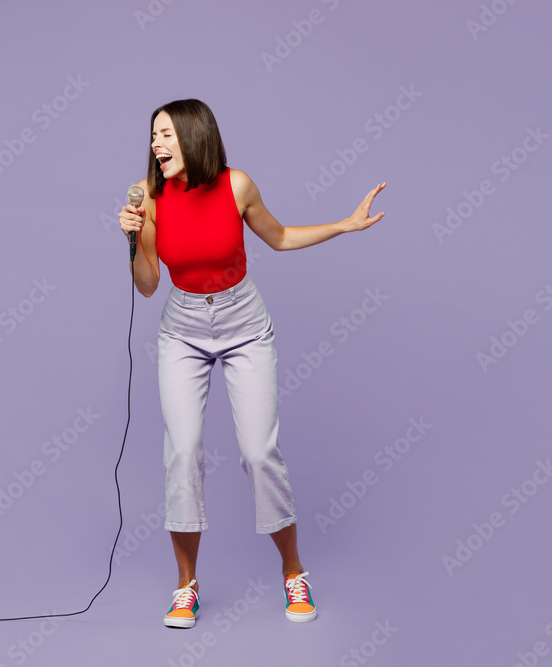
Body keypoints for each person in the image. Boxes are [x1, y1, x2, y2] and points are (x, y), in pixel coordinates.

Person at [118, 98, 386, 629]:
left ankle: (293, 571)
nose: (156, 144)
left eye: (166, 134)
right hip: (183, 328)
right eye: (153, 135)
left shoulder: (236, 185)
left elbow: (281, 238)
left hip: (244, 324)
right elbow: (148, 286)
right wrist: (131, 241)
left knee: (260, 452)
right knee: (183, 452)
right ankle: (186, 587)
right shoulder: (151, 197)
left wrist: (345, 225)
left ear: (194, 135)